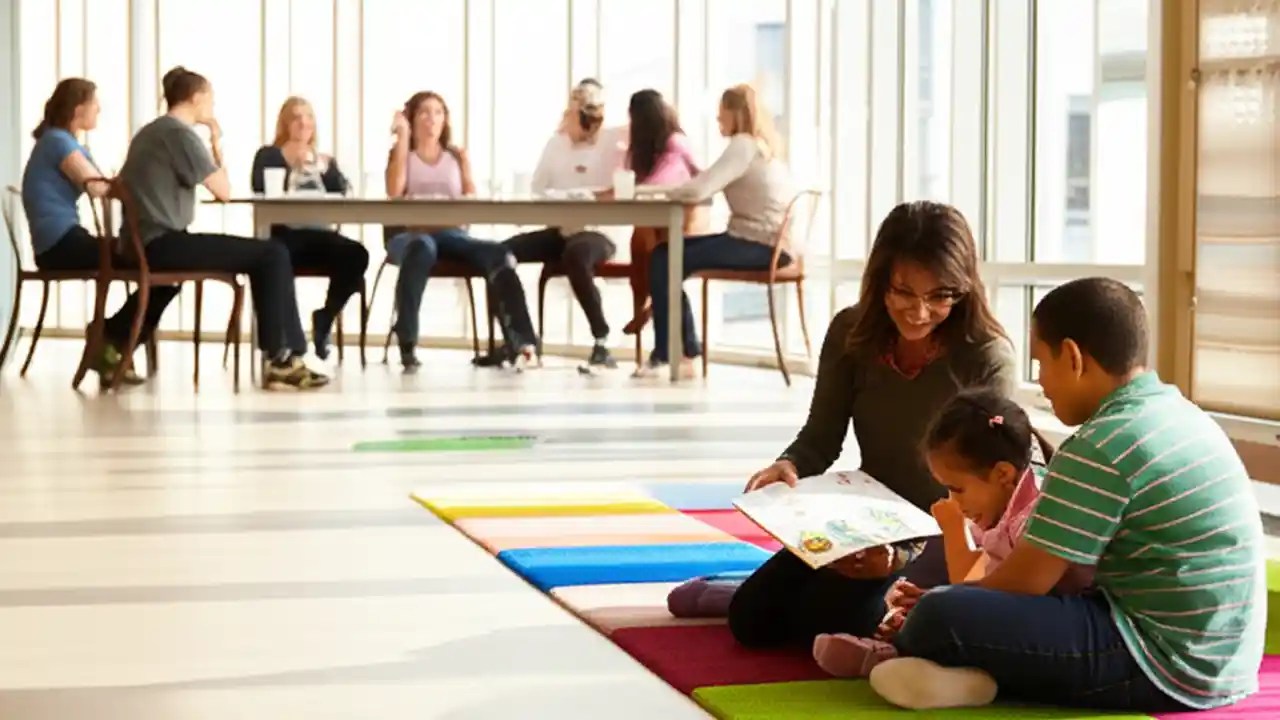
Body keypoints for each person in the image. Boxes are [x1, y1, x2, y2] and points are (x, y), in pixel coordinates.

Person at [869, 278, 1265, 713]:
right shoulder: (1179, 413)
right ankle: (971, 677)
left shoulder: (1101, 444)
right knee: (955, 606)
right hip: (1225, 660)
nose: (1041, 383)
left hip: (1163, 661)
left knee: (938, 619)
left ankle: (977, 681)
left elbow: (1024, 584)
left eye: (1041, 363)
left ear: (1073, 357)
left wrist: (944, 601)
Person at [699, 201, 1017, 643]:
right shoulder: (852, 332)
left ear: (962, 289)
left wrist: (901, 557)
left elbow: (987, 498)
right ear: (880, 281)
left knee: (832, 622)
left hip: (945, 530)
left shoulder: (984, 355)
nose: (919, 311)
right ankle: (741, 590)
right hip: (865, 518)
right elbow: (820, 437)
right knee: (750, 621)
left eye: (939, 295)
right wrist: (788, 466)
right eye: (904, 292)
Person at [812, 389, 1092, 678]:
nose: (953, 500)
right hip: (1021, 611)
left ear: (1003, 474)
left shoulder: (1032, 516)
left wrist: (954, 530)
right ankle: (901, 647)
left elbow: (972, 593)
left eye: (957, 489)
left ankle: (894, 655)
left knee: (940, 611)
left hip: (1059, 629)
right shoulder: (1007, 502)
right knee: (922, 602)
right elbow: (977, 581)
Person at [118, 66, 327, 390]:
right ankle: (282, 359)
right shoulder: (179, 134)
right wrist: (215, 141)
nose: (211, 107)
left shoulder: (154, 131)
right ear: (197, 97)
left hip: (142, 240)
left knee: (265, 254)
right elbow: (224, 191)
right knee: (272, 254)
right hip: (160, 242)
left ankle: (110, 335)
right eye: (210, 99)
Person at [20, 78, 178, 385]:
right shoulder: (58, 141)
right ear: (79, 109)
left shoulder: (63, 141)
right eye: (95, 104)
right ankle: (109, 339)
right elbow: (95, 186)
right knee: (161, 266)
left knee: (159, 265)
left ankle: (110, 340)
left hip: (63, 241)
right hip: (61, 245)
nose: (99, 109)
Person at [640, 84, 794, 377]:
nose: (717, 119)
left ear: (734, 113)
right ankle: (686, 350)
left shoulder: (743, 145)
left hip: (758, 244)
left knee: (663, 258)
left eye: (721, 112)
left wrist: (660, 192)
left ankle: (667, 353)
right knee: (667, 257)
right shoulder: (762, 145)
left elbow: (701, 188)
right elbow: (708, 182)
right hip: (772, 243)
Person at [385, 90, 538, 371]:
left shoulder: (454, 157)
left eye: (438, 112)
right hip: (410, 237)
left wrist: (466, 165)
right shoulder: (401, 155)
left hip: (452, 234)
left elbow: (470, 198)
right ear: (412, 118)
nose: (431, 119)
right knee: (423, 248)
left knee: (499, 254)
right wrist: (403, 139)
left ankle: (521, 342)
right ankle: (406, 339)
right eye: (424, 112)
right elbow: (395, 192)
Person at [501, 79, 627, 368]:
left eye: (592, 115)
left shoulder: (612, 143)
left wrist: (587, 196)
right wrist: (569, 197)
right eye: (580, 113)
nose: (587, 123)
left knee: (577, 254)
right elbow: (537, 188)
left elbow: (618, 190)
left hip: (597, 232)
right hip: (561, 228)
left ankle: (601, 339)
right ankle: (519, 341)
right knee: (500, 254)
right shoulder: (555, 144)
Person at [250, 96, 369, 360]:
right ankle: (286, 344)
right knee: (275, 259)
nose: (303, 122)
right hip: (285, 237)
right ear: (285, 123)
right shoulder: (269, 155)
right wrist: (291, 163)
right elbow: (259, 188)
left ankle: (326, 317)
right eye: (296, 117)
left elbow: (343, 193)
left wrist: (325, 168)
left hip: (321, 236)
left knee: (356, 254)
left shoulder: (325, 160)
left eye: (308, 116)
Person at [618, 89, 705, 341]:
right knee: (641, 237)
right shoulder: (642, 150)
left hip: (690, 215)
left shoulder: (676, 142)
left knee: (657, 253)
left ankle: (652, 306)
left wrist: (634, 189)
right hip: (661, 219)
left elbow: (659, 182)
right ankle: (647, 304)